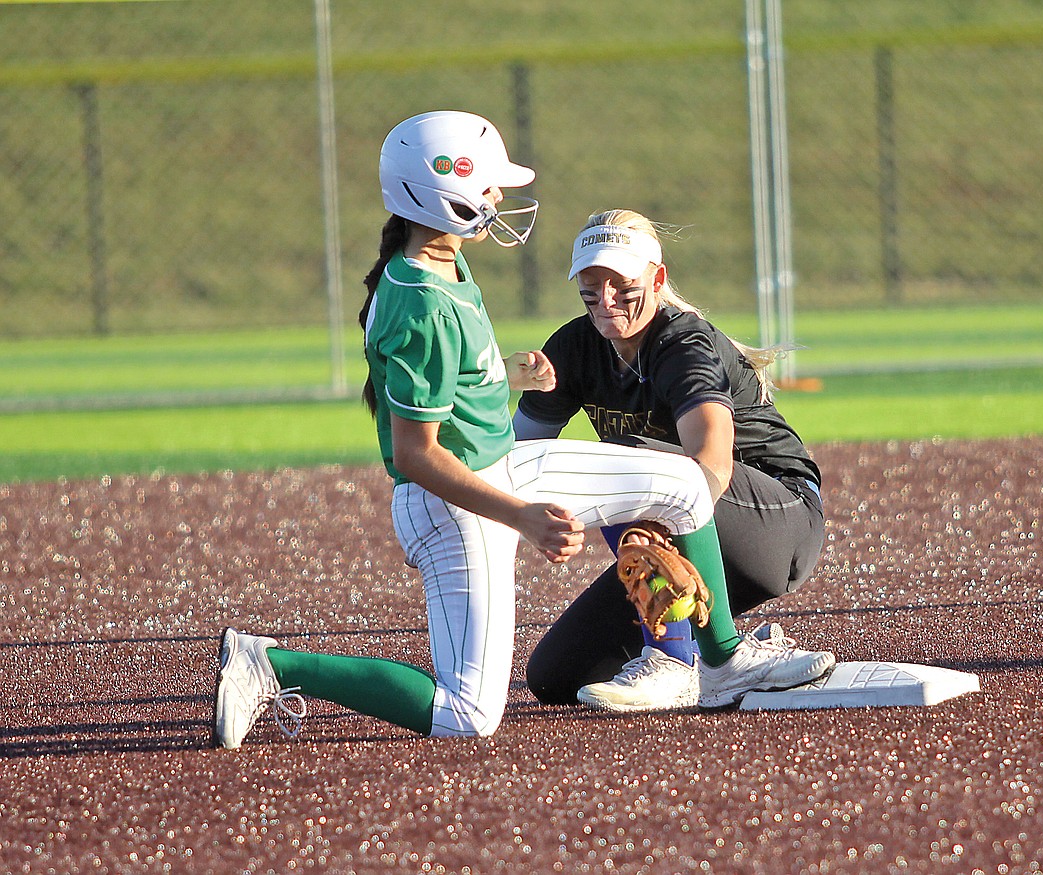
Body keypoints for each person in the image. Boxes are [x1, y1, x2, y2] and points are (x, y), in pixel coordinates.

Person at [211, 112, 834, 748]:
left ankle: (716, 661)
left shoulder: (441, 263)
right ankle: (271, 664)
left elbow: (448, 379)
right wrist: (522, 516)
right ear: (438, 189)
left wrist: (502, 373)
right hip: (457, 499)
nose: (497, 198)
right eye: (486, 186)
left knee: (679, 483)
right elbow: (416, 455)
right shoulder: (422, 300)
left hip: (497, 468)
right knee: (468, 715)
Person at [517, 209, 827, 713]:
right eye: (590, 284)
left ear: (657, 278)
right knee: (555, 677)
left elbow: (712, 464)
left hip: (780, 523)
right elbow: (518, 460)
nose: (606, 299)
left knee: (625, 458)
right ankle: (713, 649)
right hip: (694, 535)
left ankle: (692, 660)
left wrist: (655, 525)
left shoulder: (684, 343)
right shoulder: (573, 347)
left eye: (621, 282)